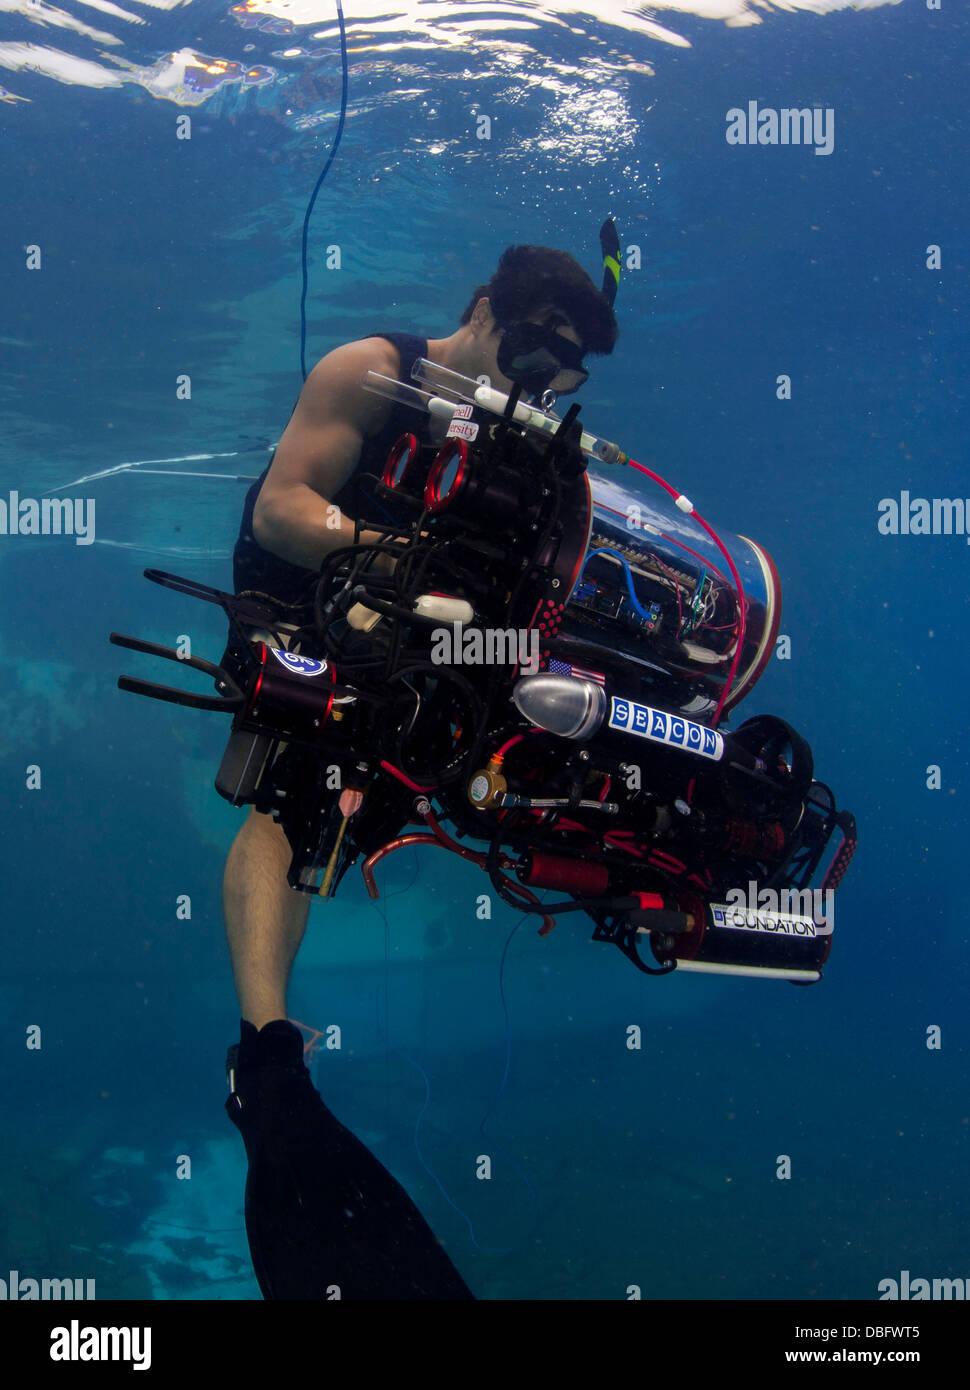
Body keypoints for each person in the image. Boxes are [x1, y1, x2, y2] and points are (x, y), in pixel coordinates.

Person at [222, 244, 619, 1299]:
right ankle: (263, 1045)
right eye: (536, 346)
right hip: (304, 605)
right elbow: (278, 508)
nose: (546, 378)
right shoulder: (374, 371)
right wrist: (385, 556)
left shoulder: (531, 443)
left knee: (519, 761)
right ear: (484, 309)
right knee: (297, 799)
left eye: (569, 368)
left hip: (428, 642)